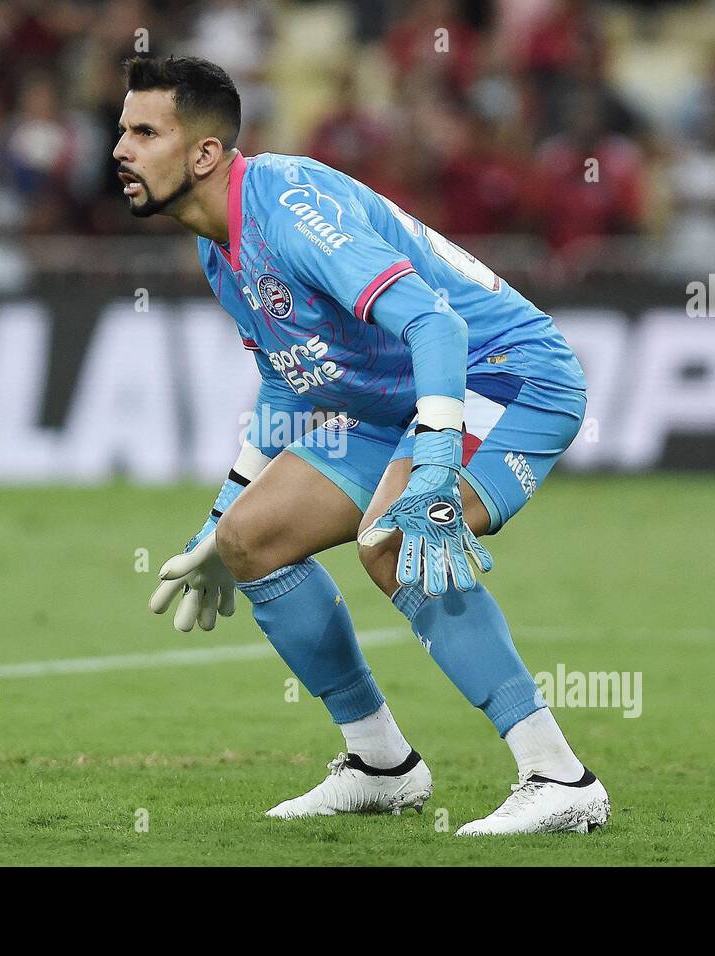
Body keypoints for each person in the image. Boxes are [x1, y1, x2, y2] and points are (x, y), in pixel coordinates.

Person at [117, 56, 608, 836]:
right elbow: (289, 384)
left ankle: (558, 776)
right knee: (252, 542)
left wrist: (439, 463)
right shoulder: (220, 249)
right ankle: (381, 765)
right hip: (397, 403)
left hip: (504, 377)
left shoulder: (289, 206)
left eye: (145, 131)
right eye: (122, 131)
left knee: (395, 536)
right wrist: (218, 517)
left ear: (205, 153)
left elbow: (437, 324)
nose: (122, 149)